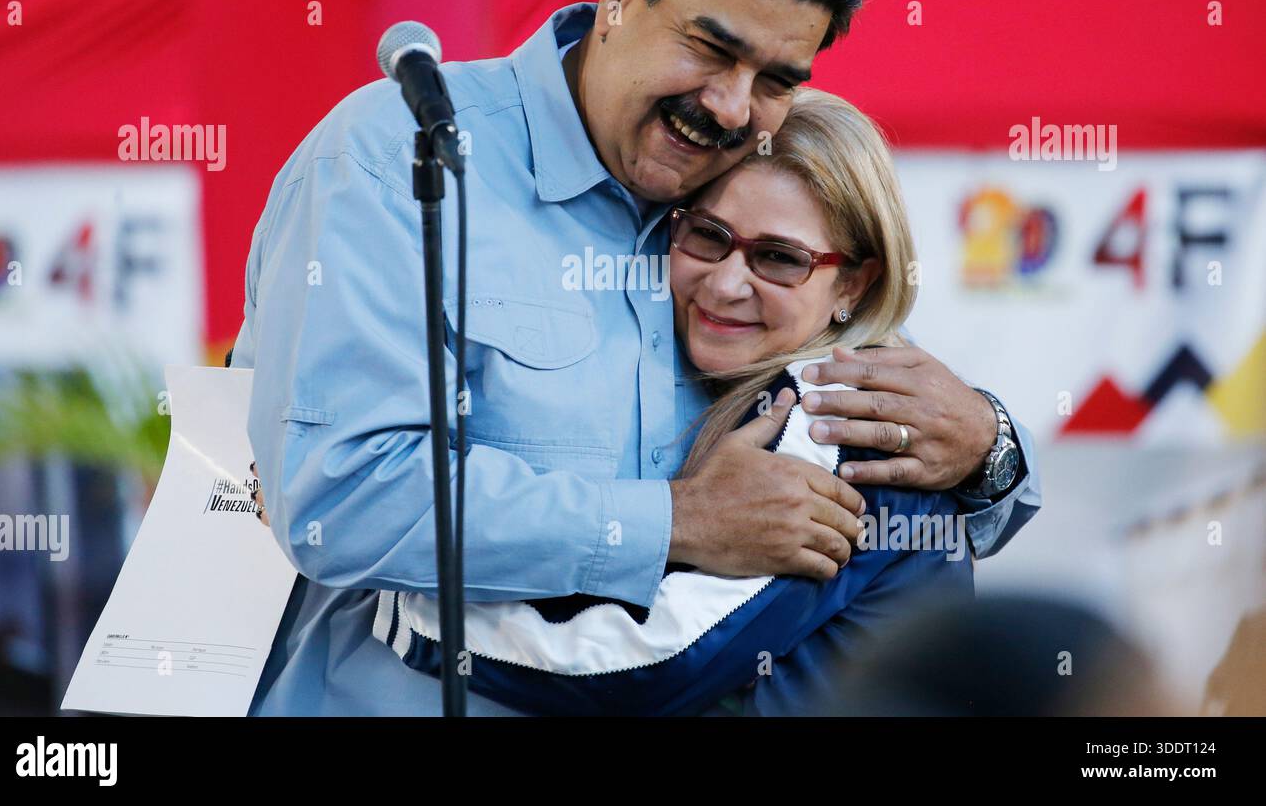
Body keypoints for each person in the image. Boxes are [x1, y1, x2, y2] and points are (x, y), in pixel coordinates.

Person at [234, 0, 1040, 716]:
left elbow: (886, 407)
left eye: (775, 80)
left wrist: (989, 445)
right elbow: (338, 496)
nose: (731, 107)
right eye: (710, 47)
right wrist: (675, 520)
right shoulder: (404, 154)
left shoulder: (738, 190)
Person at [385, 88, 978, 716]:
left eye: (779, 259)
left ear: (855, 283)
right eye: (708, 235)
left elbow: (651, 663)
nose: (725, 283)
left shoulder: (834, 415)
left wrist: (409, 613)